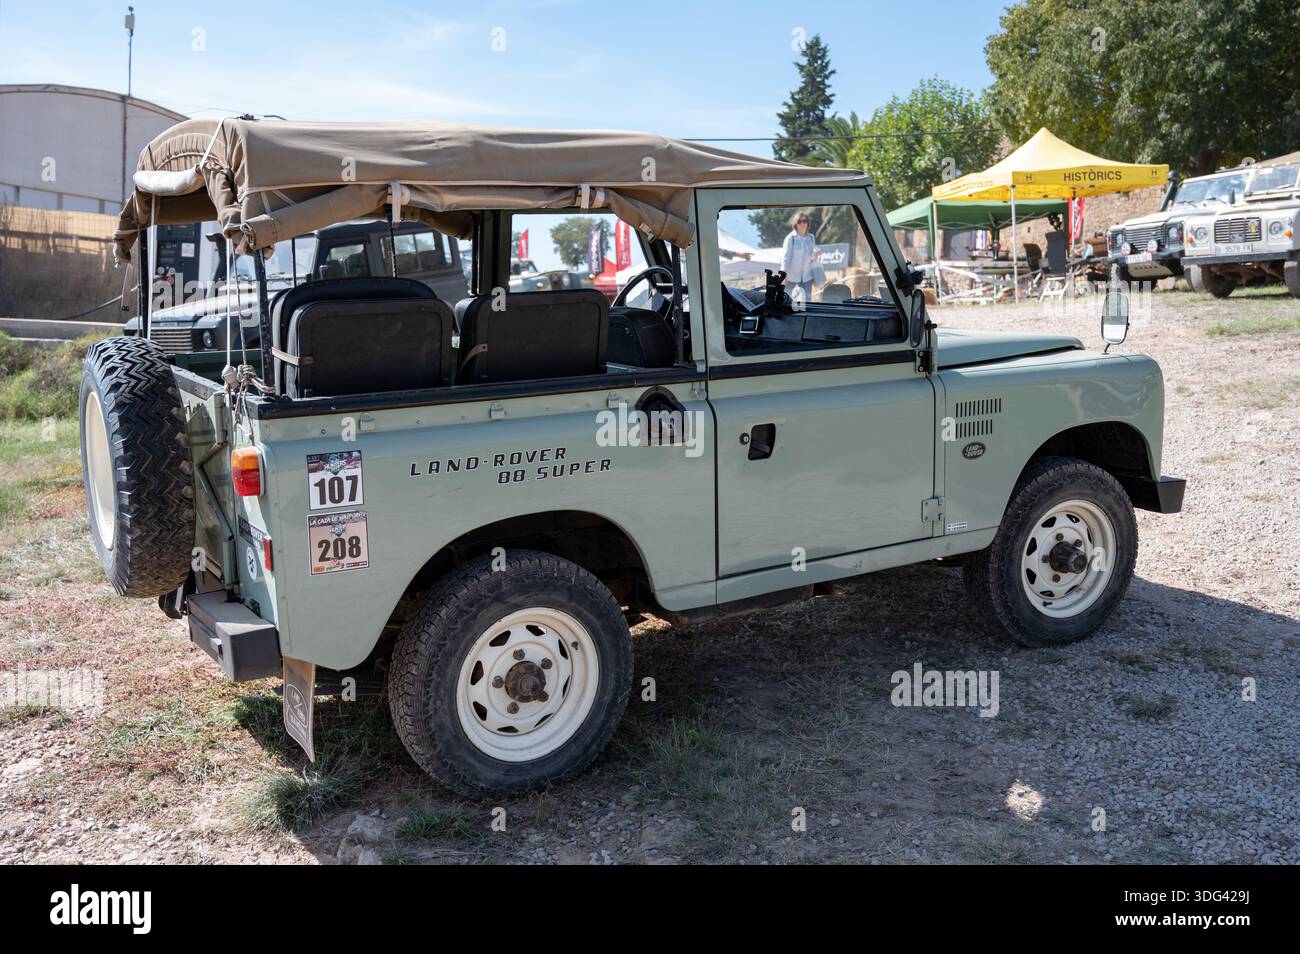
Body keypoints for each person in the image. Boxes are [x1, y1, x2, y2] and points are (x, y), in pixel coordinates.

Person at [781, 210, 821, 305]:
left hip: (807, 277)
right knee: (786, 301)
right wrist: (783, 275)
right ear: (795, 224)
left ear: (808, 223)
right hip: (790, 276)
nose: (802, 223)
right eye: (799, 221)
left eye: (804, 221)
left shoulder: (811, 238)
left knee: (807, 304)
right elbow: (785, 258)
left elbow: (812, 257)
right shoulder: (790, 238)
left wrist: (816, 253)